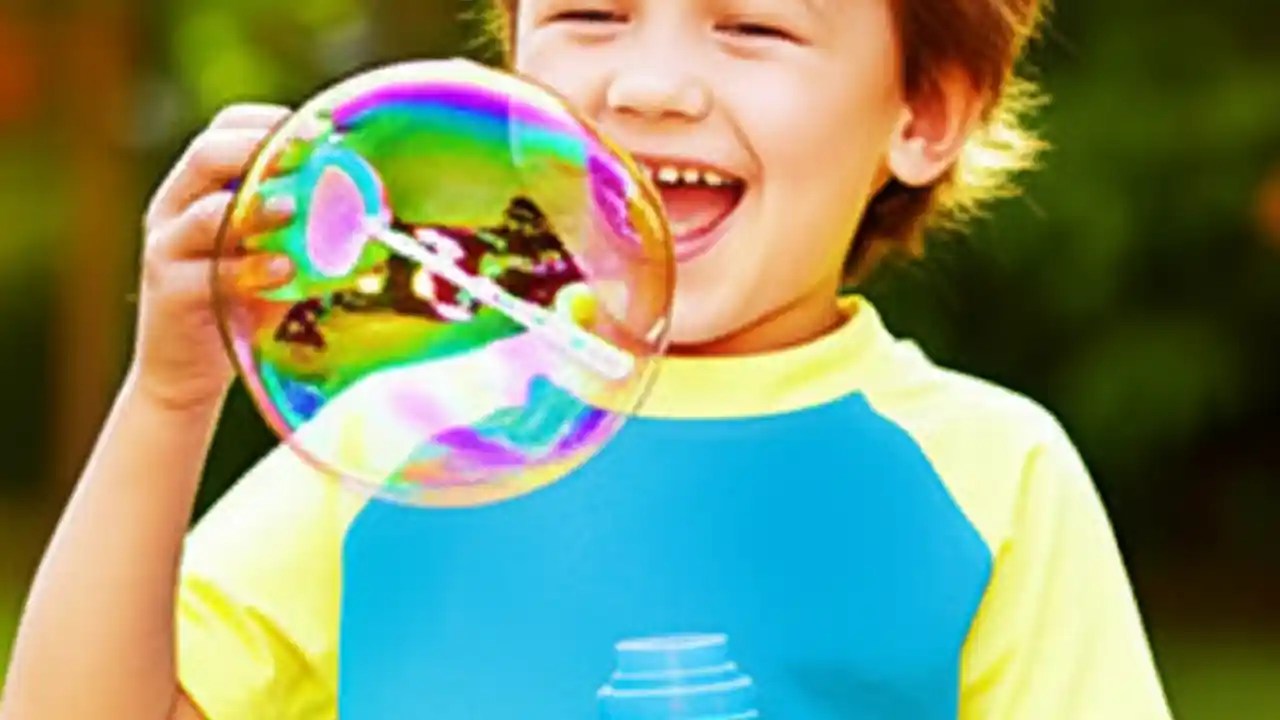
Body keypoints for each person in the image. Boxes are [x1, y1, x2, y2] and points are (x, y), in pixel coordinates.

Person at [0, 0, 1174, 718]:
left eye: (753, 25)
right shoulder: (403, 434)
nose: (646, 85)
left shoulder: (989, 472)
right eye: (587, 15)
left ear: (925, 112)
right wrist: (170, 394)